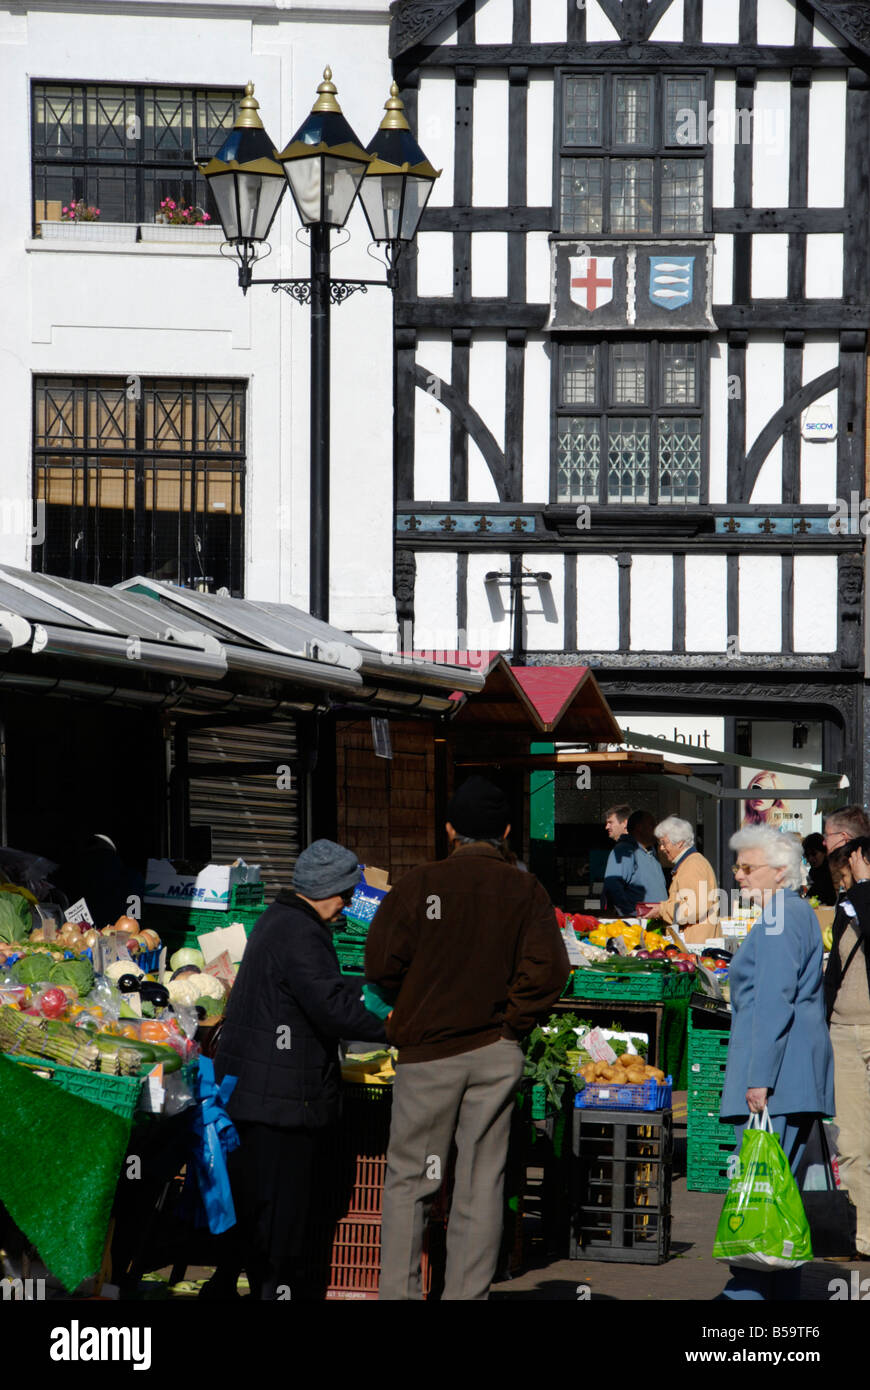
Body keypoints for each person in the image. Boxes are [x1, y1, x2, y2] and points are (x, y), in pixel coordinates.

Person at [365, 774, 570, 1301]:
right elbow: (548, 971)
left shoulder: (417, 885)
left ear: (450, 829)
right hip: (493, 1054)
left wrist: (414, 1001)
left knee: (412, 1182)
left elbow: (381, 967)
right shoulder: (526, 890)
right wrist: (510, 1025)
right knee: (481, 1186)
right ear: (504, 831)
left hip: (428, 1054)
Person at [211, 839, 388, 1300]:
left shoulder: (280, 919)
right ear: (329, 890)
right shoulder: (301, 932)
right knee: (278, 1214)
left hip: (259, 1092)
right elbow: (331, 1009)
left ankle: (231, 1285)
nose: (348, 904)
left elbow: (315, 990)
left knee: (256, 1206)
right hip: (281, 1101)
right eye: (347, 894)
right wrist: (395, 1023)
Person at [717, 825, 834, 1300]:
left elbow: (773, 1002)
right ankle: (778, 1295)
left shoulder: (781, 916)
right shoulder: (793, 912)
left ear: (779, 871)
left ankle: (744, 1296)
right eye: (737, 867)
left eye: (747, 868)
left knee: (760, 1187)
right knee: (779, 1190)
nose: (738, 876)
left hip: (779, 1078)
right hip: (794, 1074)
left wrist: (758, 1078)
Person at [824, 835, 870, 1258]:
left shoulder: (862, 900)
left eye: (848, 876)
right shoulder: (845, 908)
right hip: (844, 1030)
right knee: (852, 1143)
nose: (844, 886)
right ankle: (862, 1238)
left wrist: (864, 889)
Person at [635, 815, 719, 944]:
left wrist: (662, 910)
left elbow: (694, 908)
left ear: (679, 842)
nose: (661, 848)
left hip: (696, 944)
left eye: (664, 843)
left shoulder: (692, 865)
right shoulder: (690, 863)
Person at [601, 803, 641, 916]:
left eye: (610, 822)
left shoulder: (622, 850)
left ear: (625, 823)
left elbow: (612, 887)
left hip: (627, 923)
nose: (607, 827)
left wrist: (629, 915)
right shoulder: (645, 850)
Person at [625, 810, 668, 908]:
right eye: (652, 824)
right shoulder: (625, 852)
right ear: (639, 827)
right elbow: (614, 887)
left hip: (659, 919)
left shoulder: (651, 852)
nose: (656, 829)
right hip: (640, 921)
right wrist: (630, 914)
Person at [802, 832, 836, 905]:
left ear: (824, 852)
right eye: (807, 855)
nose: (810, 859)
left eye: (814, 854)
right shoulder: (813, 871)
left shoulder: (832, 871)